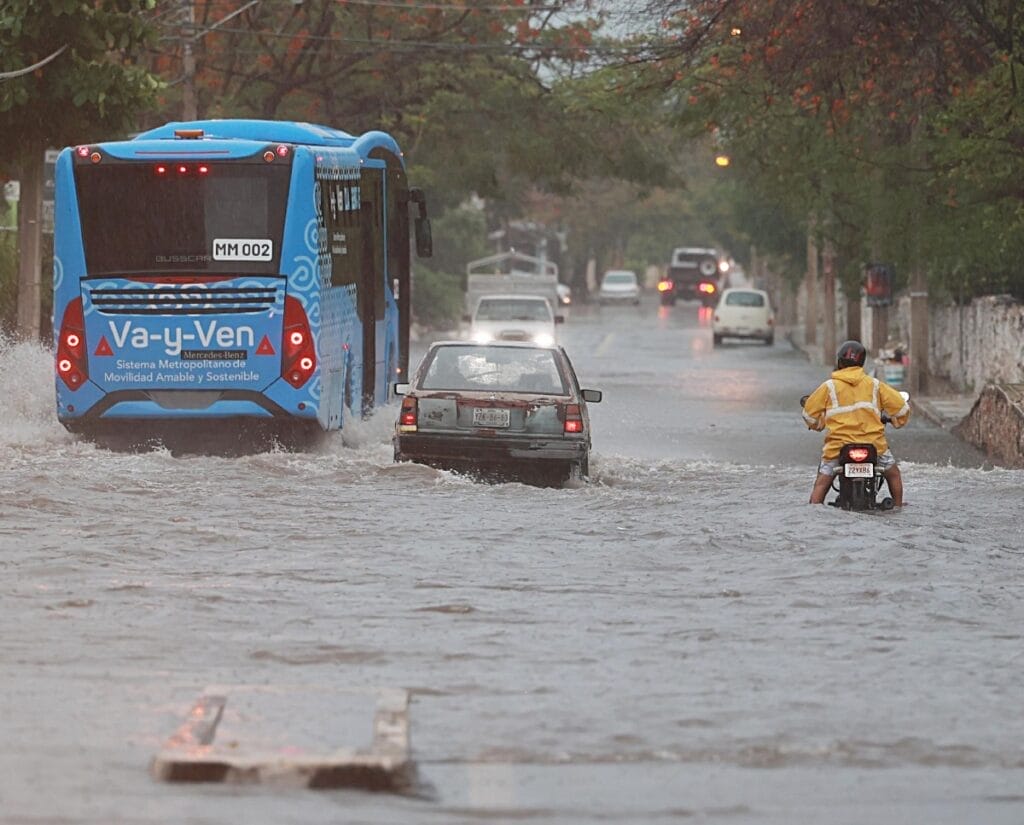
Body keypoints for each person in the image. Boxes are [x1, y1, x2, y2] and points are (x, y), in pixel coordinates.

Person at [802, 340, 911, 506]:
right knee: (894, 475)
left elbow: (809, 415)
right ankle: (898, 506)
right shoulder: (875, 385)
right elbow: (902, 409)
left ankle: (814, 511)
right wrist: (897, 422)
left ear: (839, 362)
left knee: (822, 483)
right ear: (862, 363)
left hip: (837, 448)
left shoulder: (829, 387)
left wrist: (818, 425)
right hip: (874, 446)